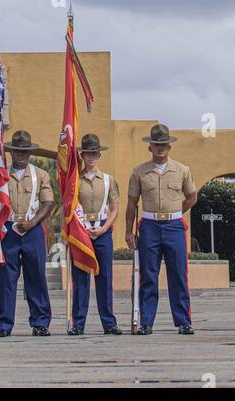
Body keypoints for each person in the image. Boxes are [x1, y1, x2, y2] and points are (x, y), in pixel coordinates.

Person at [125, 122, 197, 335]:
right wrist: (129, 231)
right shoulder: (139, 171)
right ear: (150, 147)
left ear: (169, 146)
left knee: (178, 274)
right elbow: (132, 203)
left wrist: (176, 211)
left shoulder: (182, 170)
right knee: (148, 275)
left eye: (163, 144)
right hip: (149, 226)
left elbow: (192, 197)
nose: (160, 148)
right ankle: (146, 322)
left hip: (174, 226)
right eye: (156, 144)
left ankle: (183, 321)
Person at [0, 129, 54, 337]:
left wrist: (33, 223)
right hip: (8, 231)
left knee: (36, 277)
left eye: (24, 152)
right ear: (11, 152)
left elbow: (48, 203)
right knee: (6, 279)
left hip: (32, 230)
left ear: (30, 153)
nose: (21, 155)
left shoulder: (40, 175)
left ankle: (40, 322)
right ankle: (4, 324)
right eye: (17, 151)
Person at [69, 132, 122, 335]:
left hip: (102, 229)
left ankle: (109, 323)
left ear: (99, 155)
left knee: (105, 278)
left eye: (95, 153)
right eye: (88, 153)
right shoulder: (75, 181)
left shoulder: (109, 180)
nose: (91, 157)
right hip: (81, 229)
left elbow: (115, 208)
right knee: (80, 278)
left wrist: (104, 228)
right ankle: (78, 323)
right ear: (82, 155)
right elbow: (70, 206)